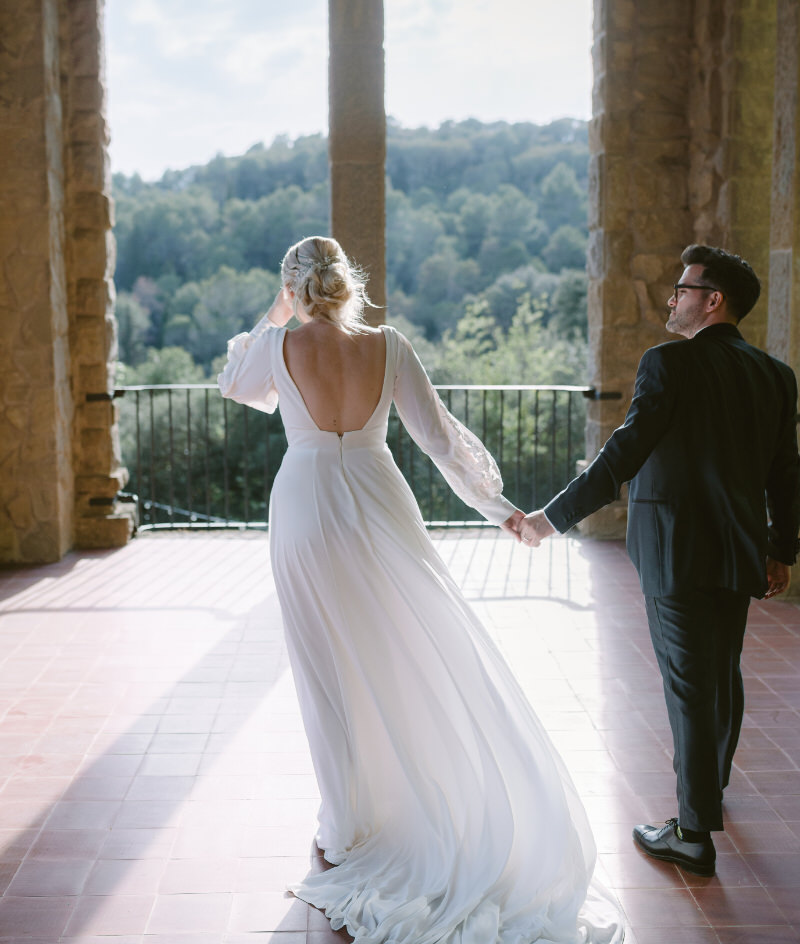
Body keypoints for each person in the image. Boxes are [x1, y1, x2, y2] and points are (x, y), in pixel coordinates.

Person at [218, 235, 623, 944]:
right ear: (348, 282)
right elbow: (439, 441)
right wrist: (502, 510)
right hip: (378, 499)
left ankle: (346, 825)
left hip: (308, 506)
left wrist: (275, 313)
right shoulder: (389, 345)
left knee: (326, 671)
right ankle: (404, 798)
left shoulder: (277, 346)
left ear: (293, 287)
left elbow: (236, 389)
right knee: (403, 650)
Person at [520, 244, 800, 878]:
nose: (673, 298)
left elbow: (623, 454)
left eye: (684, 287)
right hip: (741, 549)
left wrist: (550, 519)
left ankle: (693, 832)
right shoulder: (775, 375)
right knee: (721, 677)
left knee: (692, 687)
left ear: (713, 300)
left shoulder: (668, 363)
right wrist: (782, 548)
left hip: (678, 552)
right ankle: (709, 792)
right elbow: (788, 474)